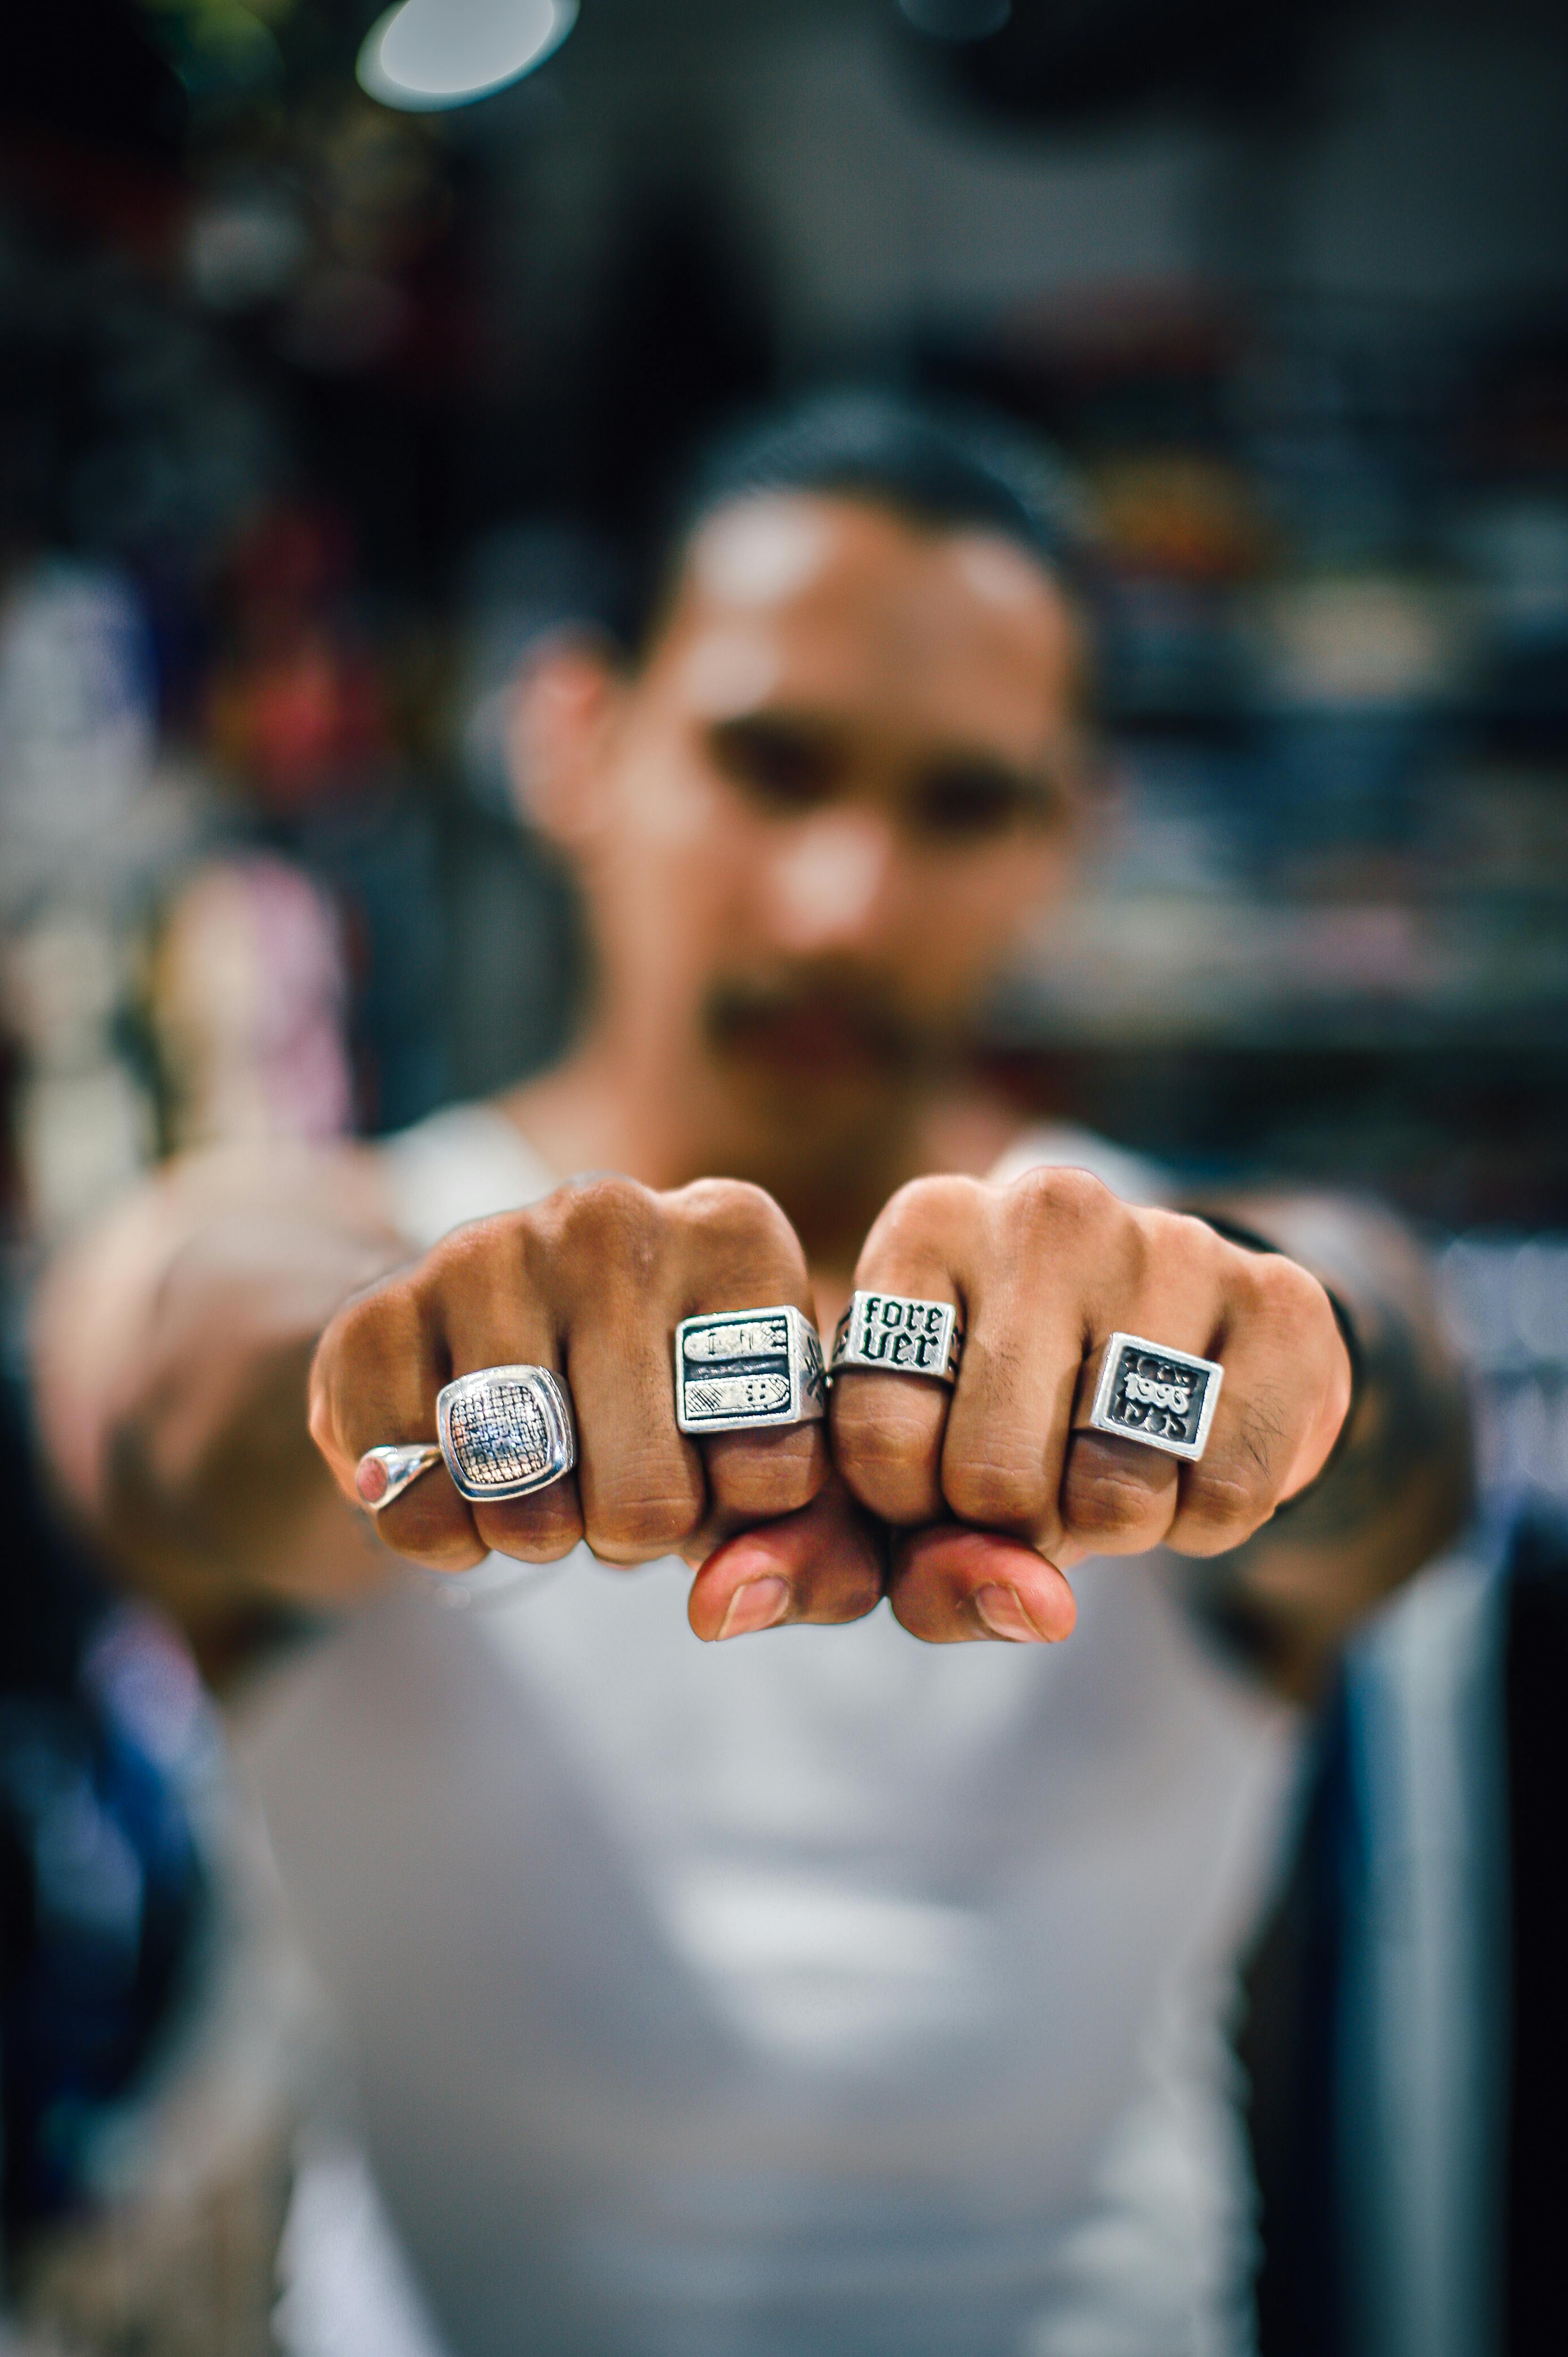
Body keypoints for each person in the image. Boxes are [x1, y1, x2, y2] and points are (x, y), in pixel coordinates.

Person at [32, 391, 1471, 2357]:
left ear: (1069, 837)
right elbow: (168, 1374)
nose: (838, 904)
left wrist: (1315, 1351)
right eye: (766, 764)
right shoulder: (343, 1247)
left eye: (962, 804)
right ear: (577, 738)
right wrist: (385, 1353)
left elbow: (1393, 1411)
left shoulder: (1172, 1297)